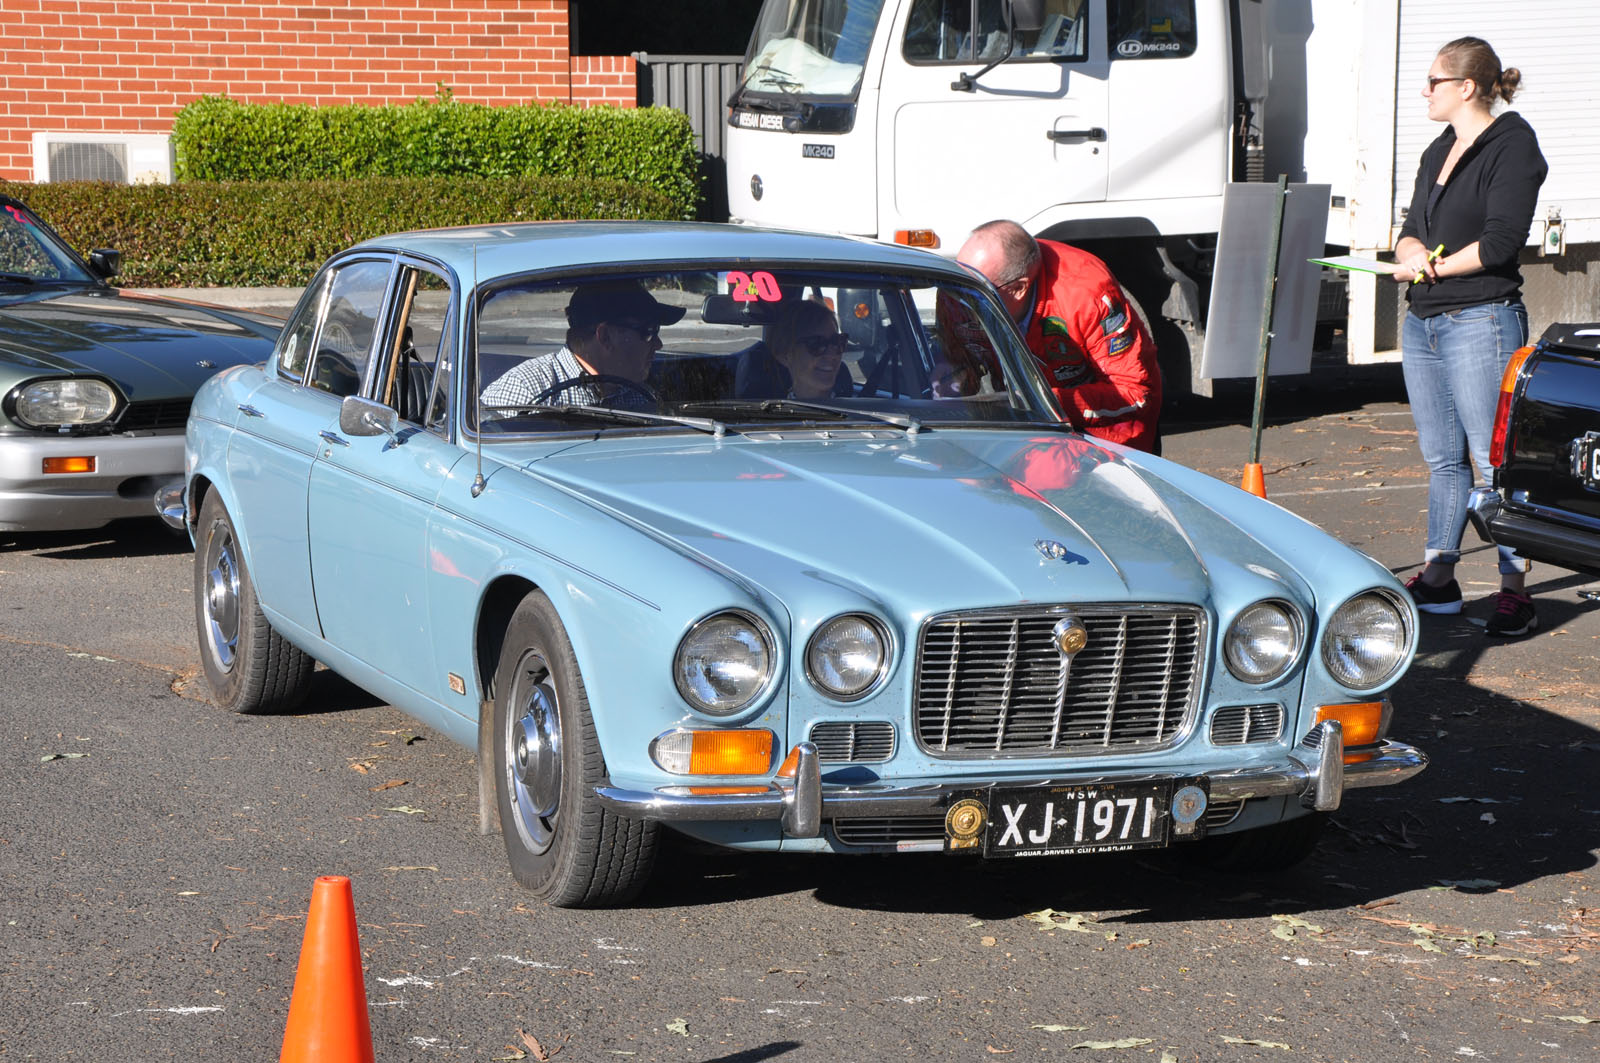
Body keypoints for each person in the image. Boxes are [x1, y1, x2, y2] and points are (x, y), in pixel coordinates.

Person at [1388, 37, 1547, 637]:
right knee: (1442, 460)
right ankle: (1438, 578)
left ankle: (1515, 592)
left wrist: (1431, 266)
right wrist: (1409, 253)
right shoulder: (1440, 147)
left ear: (1467, 87)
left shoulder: (1513, 145)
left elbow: (1501, 243)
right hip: (1424, 320)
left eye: (1433, 81)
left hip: (1480, 318)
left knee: (1491, 462)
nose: (1425, 91)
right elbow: (1410, 228)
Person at [956, 219, 1161, 451]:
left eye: (975, 292)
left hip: (1107, 442)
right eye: (960, 284)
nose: (960, 300)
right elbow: (955, 356)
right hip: (1026, 439)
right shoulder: (959, 285)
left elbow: (1134, 393)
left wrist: (1040, 402)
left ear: (1019, 288)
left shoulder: (1087, 295)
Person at [480, 280, 685, 410]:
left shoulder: (640, 396)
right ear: (604, 336)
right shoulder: (524, 392)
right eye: (648, 332)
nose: (658, 344)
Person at [736, 297, 852, 400]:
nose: (832, 354)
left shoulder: (862, 416)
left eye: (837, 341)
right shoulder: (767, 422)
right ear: (785, 355)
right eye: (817, 344)